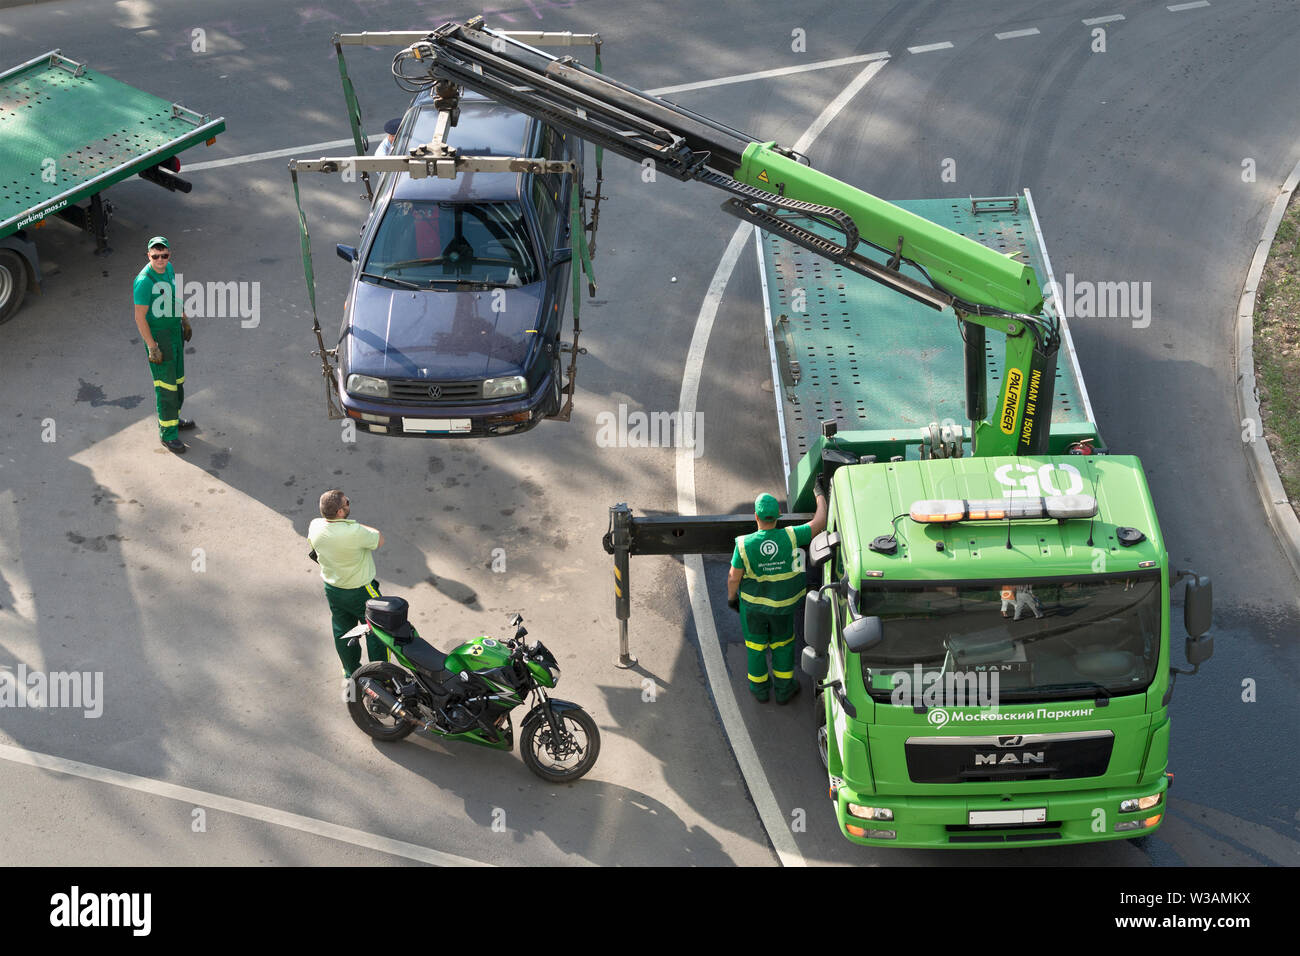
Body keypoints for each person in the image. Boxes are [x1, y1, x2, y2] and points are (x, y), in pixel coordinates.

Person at [728, 478, 828, 703]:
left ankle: (759, 690)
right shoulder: (791, 536)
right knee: (783, 646)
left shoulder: (744, 544)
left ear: (756, 517)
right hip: (783, 607)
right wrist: (820, 494)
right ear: (777, 517)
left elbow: (733, 577)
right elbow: (820, 521)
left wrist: (732, 597)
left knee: (755, 647)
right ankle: (784, 690)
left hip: (753, 608)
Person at [308, 489, 389, 676]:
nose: (348, 504)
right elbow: (379, 539)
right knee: (378, 631)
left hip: (333, 589)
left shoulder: (315, 526)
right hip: (362, 590)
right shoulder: (355, 532)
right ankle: (380, 676)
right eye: (347, 503)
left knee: (343, 631)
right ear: (340, 512)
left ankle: (351, 672)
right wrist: (357, 527)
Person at [132, 236, 193, 453]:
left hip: (174, 332)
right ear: (148, 255)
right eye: (155, 256)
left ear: (169, 254)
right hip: (160, 339)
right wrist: (152, 347)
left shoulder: (169, 269)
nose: (160, 259)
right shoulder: (144, 282)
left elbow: (174, 297)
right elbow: (140, 318)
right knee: (166, 387)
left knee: (178, 381)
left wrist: (184, 319)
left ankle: (173, 421)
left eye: (164, 255)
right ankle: (168, 435)